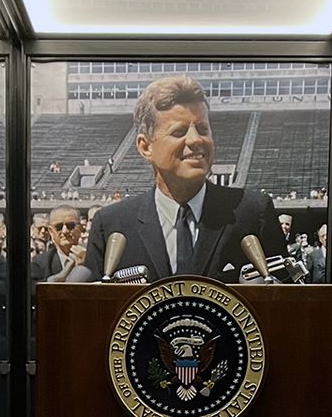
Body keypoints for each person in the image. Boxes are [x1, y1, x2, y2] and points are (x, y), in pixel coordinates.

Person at [84, 75, 283, 283]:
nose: (196, 139)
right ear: (145, 146)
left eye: (203, 129)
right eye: (179, 132)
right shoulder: (112, 225)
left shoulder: (253, 213)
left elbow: (284, 302)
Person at [31, 205, 87, 284]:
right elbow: (33, 290)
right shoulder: (40, 263)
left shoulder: (93, 259)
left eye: (70, 226)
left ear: (80, 229)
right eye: (59, 227)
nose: (65, 231)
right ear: (51, 231)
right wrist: (60, 277)